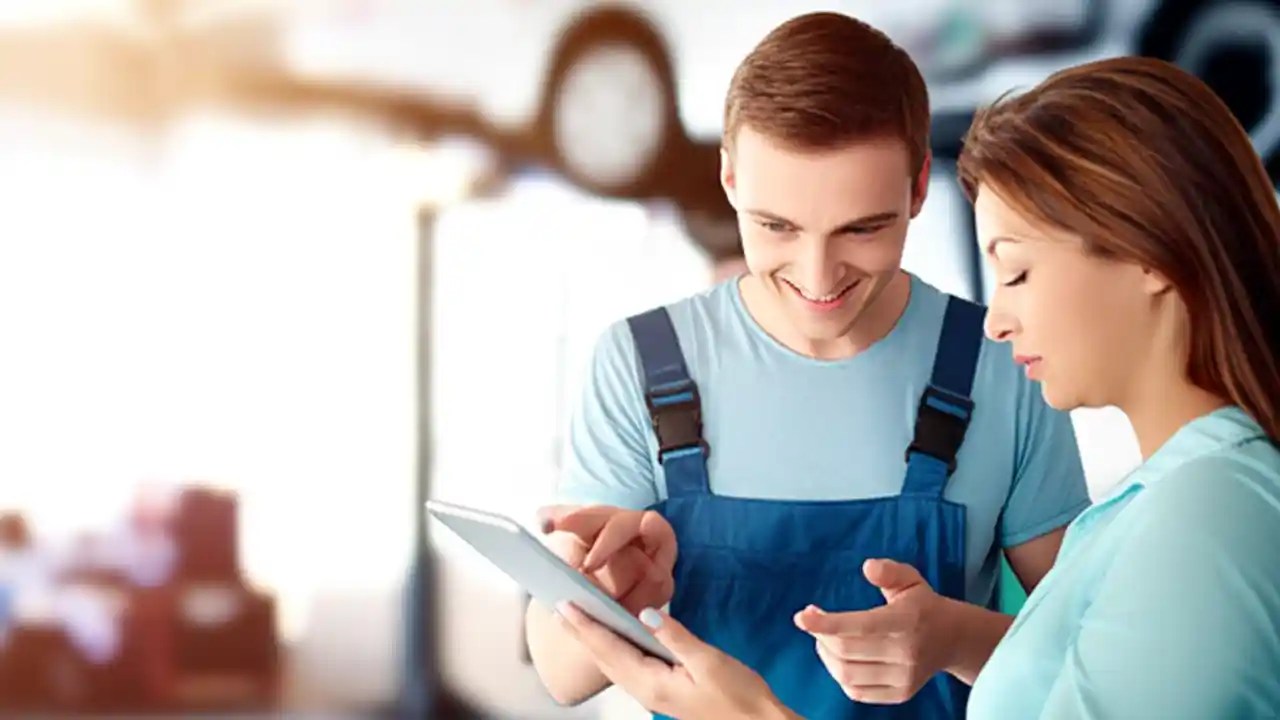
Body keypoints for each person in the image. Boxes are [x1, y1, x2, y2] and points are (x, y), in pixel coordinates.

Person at [556, 55, 1280, 720]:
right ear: (731, 183)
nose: (995, 318)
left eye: (1017, 270)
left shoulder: (1205, 513)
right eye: (777, 225)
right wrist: (957, 636)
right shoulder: (1158, 508)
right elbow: (1072, 665)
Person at [526, 11, 1090, 719]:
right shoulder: (638, 366)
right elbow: (561, 674)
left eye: (863, 228)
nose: (819, 276)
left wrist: (959, 639)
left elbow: (1091, 665)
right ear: (730, 177)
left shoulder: (1002, 365)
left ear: (918, 189)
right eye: (776, 227)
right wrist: (610, 593)